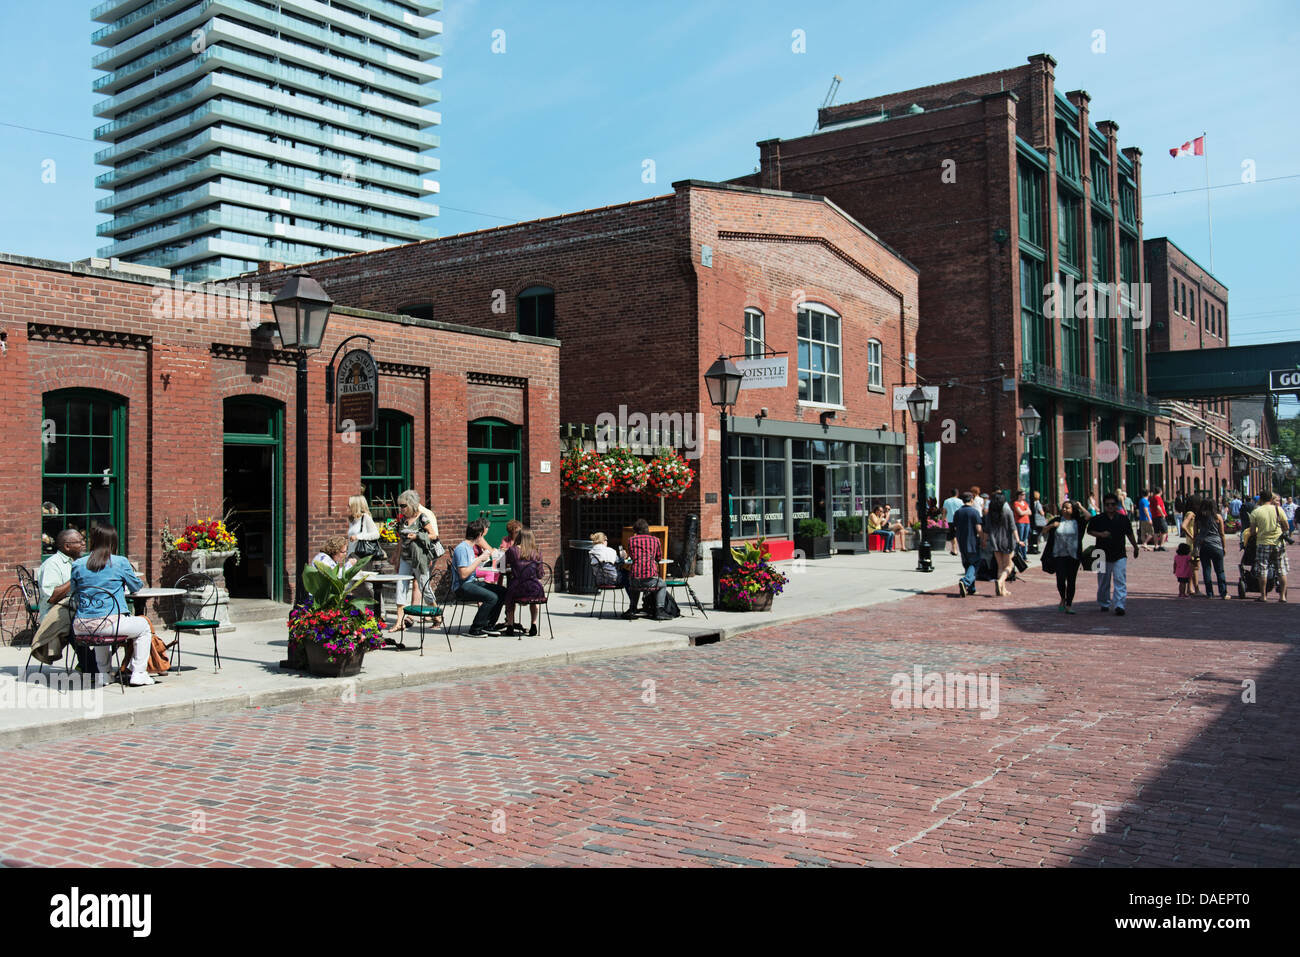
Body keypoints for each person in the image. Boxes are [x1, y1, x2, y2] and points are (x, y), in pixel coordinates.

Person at [68, 523, 154, 686]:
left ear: (93, 540)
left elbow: (73, 591)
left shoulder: (78, 564)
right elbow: (136, 586)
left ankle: (104, 674)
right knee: (144, 626)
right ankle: (139, 673)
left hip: (81, 625)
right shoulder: (120, 562)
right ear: (113, 541)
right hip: (109, 623)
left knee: (101, 630)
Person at [35, 528, 87, 669]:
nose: (84, 543)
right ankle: (90, 665)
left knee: (112, 623)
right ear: (67, 546)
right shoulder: (53, 564)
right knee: (75, 626)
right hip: (55, 614)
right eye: (79, 541)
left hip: (79, 609)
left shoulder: (80, 562)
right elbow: (52, 597)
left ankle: (94, 663)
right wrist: (76, 577)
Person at [392, 489, 441, 632]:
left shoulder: (423, 518)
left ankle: (436, 614)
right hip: (405, 558)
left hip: (419, 559)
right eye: (400, 505)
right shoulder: (402, 520)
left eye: (403, 505)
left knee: (424, 587)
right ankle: (399, 621)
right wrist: (397, 559)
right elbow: (401, 540)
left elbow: (433, 535)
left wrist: (417, 535)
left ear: (412, 504)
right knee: (400, 587)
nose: (401, 508)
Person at [1087, 493, 1140, 615]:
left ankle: (1119, 605)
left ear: (1117, 505)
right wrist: (1100, 535)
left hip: (1120, 553)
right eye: (1107, 505)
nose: (1110, 507)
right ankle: (1104, 602)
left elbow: (1130, 534)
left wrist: (1135, 547)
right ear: (1104, 506)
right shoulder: (1098, 519)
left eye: (1113, 504)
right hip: (1100, 553)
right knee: (1102, 581)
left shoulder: (1123, 519)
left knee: (1120, 580)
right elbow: (1089, 531)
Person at [452, 519, 508, 635]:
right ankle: (476, 628)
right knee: (492, 597)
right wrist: (480, 559)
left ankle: (488, 625)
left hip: (471, 582)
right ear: (479, 535)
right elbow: (463, 574)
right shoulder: (462, 549)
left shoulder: (469, 547)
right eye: (483, 535)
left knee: (502, 592)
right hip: (462, 586)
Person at [1043, 501, 1086, 613]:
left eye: (1067, 508)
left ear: (1073, 510)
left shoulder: (1078, 522)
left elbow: (1089, 516)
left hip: (1073, 556)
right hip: (1058, 555)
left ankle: (1069, 605)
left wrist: (1080, 506)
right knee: (1060, 580)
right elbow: (1043, 530)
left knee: (1071, 581)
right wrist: (1052, 525)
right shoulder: (1056, 520)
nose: (1064, 509)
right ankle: (1063, 597)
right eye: (1063, 507)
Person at [502, 527, 545, 637]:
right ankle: (534, 625)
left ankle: (510, 625)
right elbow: (540, 574)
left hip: (517, 587)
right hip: (534, 587)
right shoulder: (537, 552)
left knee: (510, 594)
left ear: (519, 537)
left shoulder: (512, 550)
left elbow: (501, 567)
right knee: (535, 601)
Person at [1248, 491, 1289, 603]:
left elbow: (1252, 531)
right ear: (1271, 498)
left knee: (1263, 569)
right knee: (1281, 569)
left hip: (1263, 542)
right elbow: (1286, 526)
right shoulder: (1278, 509)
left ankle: (1263, 595)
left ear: (1260, 499)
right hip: (1278, 543)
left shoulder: (1256, 512)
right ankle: (1282, 596)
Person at [624, 518, 670, 620]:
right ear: (647, 529)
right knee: (662, 584)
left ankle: (632, 609)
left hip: (634, 580)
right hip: (650, 579)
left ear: (636, 530)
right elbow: (658, 558)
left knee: (635, 584)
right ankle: (659, 610)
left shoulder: (631, 540)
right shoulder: (655, 540)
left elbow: (631, 556)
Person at [1193, 495, 1229, 599]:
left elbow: (1195, 534)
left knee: (1206, 570)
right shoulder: (1218, 517)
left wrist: (1195, 546)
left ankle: (1210, 593)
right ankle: (1223, 593)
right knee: (1220, 570)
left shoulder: (1198, 518)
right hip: (1217, 545)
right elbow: (1222, 533)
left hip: (1204, 545)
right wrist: (1224, 547)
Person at [983, 491, 1016, 596]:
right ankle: (1001, 581)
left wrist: (983, 540)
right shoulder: (1007, 511)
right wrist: (1018, 540)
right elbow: (1013, 527)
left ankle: (1002, 590)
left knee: (1000, 566)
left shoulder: (990, 513)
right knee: (1009, 566)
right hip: (1007, 541)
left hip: (994, 541)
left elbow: (986, 529)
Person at [953, 493, 983, 597]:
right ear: (971, 500)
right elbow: (979, 529)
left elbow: (955, 528)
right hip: (973, 542)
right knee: (975, 564)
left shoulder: (957, 513)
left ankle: (971, 589)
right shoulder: (974, 512)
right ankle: (965, 581)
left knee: (967, 565)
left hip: (962, 542)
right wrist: (983, 539)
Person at [345, 495, 381, 560]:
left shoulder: (365, 517)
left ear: (355, 506)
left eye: (349, 505)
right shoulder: (352, 519)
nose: (347, 506)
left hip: (362, 555)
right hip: (352, 555)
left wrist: (358, 537)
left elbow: (376, 534)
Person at [1011, 489, 1031, 564]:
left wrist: (1024, 512)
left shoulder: (1025, 503)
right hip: (1020, 523)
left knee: (1025, 540)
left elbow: (1030, 512)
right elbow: (1020, 513)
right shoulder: (1016, 503)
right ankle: (1018, 556)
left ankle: (1024, 556)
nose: (1024, 496)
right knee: (1020, 540)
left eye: (1024, 495)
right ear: (1019, 495)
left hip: (1027, 522)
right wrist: (1025, 512)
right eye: (1022, 494)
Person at [942, 488, 964, 555]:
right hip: (959, 520)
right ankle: (958, 549)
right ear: (957, 494)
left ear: (950, 493)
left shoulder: (946, 501)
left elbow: (944, 512)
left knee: (952, 534)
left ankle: (954, 548)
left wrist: (943, 520)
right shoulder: (960, 501)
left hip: (950, 519)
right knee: (959, 534)